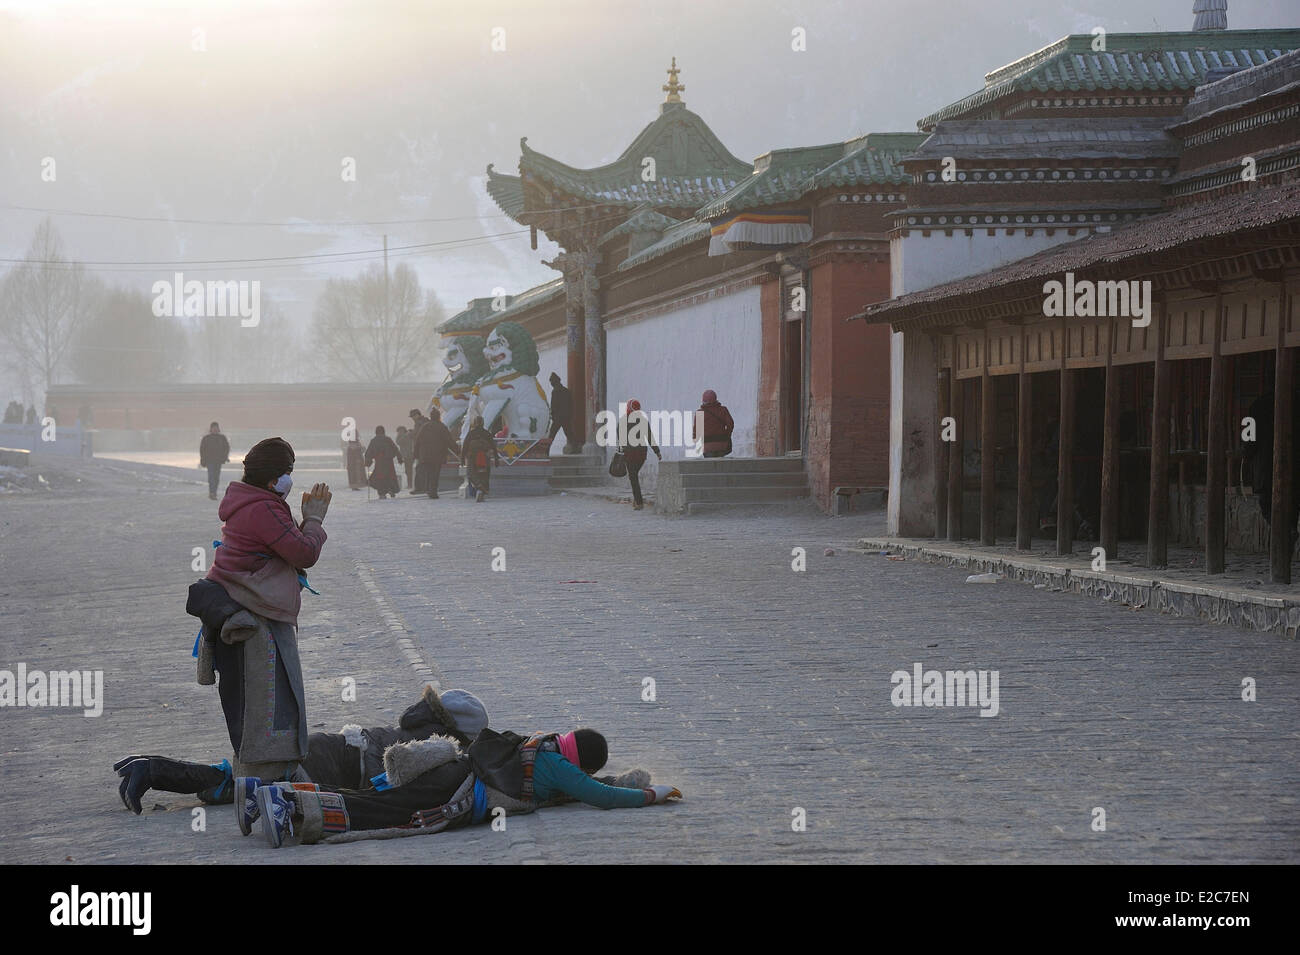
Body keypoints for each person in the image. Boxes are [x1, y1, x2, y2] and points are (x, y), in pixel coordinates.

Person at [247, 725, 681, 847]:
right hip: (455, 795)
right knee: (385, 813)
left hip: (452, 771)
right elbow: (600, 796)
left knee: (379, 796)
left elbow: (586, 785)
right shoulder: (561, 769)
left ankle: (266, 796)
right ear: (580, 762)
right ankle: (288, 808)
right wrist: (649, 795)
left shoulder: (540, 745)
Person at [188, 437, 331, 783]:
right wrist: (313, 520)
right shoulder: (263, 508)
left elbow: (282, 545)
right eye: (288, 472)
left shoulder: (253, 501)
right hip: (255, 612)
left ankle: (258, 772)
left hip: (246, 604)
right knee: (266, 701)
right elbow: (302, 553)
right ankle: (266, 778)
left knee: (253, 699)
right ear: (272, 479)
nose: (290, 478)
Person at [113, 684, 488, 816]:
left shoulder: (412, 727)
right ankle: (150, 770)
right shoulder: (433, 747)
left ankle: (150, 768)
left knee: (233, 781)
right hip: (329, 763)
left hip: (327, 749)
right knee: (238, 786)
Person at [619, 398, 660, 511]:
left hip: (630, 454)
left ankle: (639, 502)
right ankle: (637, 500)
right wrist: (657, 452)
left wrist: (620, 452)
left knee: (633, 477)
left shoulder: (623, 421)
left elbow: (620, 439)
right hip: (641, 454)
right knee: (634, 475)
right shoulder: (643, 421)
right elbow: (650, 437)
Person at [413, 408, 460, 499]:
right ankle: (432, 491)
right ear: (438, 417)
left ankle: (429, 490)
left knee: (428, 472)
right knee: (435, 473)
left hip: (425, 455)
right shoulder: (441, 427)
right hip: (437, 455)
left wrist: (416, 454)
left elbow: (417, 441)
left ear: (431, 417)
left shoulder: (425, 427)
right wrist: (457, 451)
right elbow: (449, 440)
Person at [460, 415, 499, 502]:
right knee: (485, 475)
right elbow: (493, 446)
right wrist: (496, 459)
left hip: (472, 457)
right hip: (485, 457)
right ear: (483, 423)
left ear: (475, 423)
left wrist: (462, 458)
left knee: (471, 474)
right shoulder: (487, 433)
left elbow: (465, 446)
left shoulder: (471, 433)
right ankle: (482, 489)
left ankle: (478, 486)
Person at [364, 425, 402, 499]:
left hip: (380, 462)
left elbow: (369, 452)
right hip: (389, 462)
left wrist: (368, 462)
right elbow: (395, 449)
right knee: (390, 476)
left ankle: (382, 493)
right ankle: (391, 490)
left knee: (380, 477)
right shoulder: (388, 439)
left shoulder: (374, 440)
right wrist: (399, 458)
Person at [694, 390, 734, 458]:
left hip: (707, 445)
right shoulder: (723, 410)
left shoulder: (700, 413)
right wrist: (726, 435)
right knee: (721, 465)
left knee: (710, 466)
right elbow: (730, 424)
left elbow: (697, 432)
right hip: (722, 444)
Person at [199, 421, 231, 500]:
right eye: (213, 428)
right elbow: (202, 450)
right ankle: (212, 493)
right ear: (211, 429)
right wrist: (203, 460)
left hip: (218, 461)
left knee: (216, 477)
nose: (215, 429)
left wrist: (225, 457)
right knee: (211, 477)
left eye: (216, 428)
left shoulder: (222, 438)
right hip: (209, 461)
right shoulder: (206, 438)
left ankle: (214, 492)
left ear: (218, 429)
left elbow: (226, 448)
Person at [548, 372, 576, 453]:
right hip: (566, 417)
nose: (551, 383)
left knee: (551, 435)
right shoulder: (567, 391)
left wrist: (552, 416)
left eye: (551, 382)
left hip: (557, 418)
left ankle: (546, 450)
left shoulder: (555, 392)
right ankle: (574, 448)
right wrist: (570, 416)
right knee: (569, 434)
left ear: (554, 382)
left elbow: (553, 405)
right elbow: (571, 405)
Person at [407, 409, 429, 494]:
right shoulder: (425, 421)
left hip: (420, 449)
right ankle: (424, 487)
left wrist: (410, 434)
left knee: (420, 469)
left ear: (417, 415)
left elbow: (417, 435)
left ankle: (420, 488)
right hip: (425, 449)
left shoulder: (419, 423)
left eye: (413, 416)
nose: (412, 418)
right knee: (423, 469)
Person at [395, 425, 415, 490]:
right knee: (407, 471)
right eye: (398, 431)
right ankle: (410, 484)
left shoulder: (408, 435)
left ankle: (410, 484)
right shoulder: (402, 436)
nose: (399, 432)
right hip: (406, 455)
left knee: (409, 470)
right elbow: (398, 442)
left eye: (400, 431)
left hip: (410, 455)